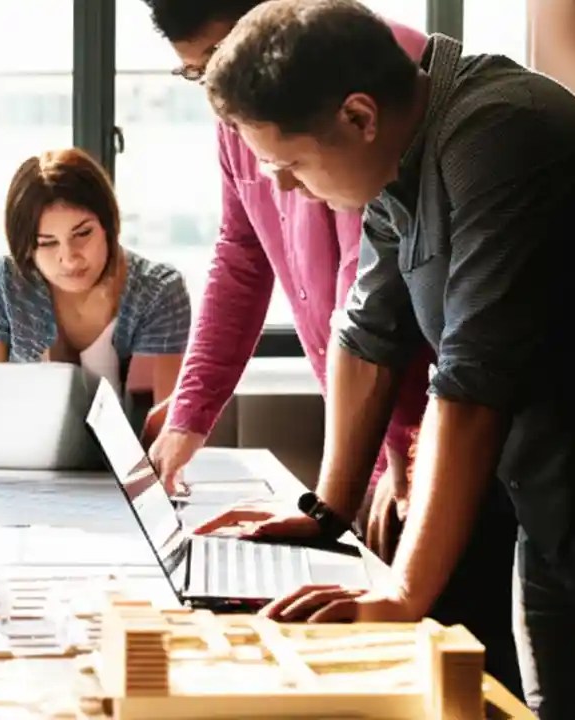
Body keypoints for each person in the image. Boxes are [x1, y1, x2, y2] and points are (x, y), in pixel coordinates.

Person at [201, 1, 575, 717]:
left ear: (359, 116)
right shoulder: (403, 150)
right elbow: (367, 335)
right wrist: (327, 509)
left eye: (291, 163)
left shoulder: (498, 137)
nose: (279, 187)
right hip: (550, 513)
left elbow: (470, 380)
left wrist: (401, 595)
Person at [141, 0, 432, 562]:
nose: (216, 97)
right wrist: (191, 413)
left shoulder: (357, 75)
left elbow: (374, 299)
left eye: (220, 58)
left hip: (427, 435)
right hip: (369, 439)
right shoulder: (244, 108)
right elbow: (241, 253)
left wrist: (378, 467)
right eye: (196, 74)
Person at [0, 148, 192, 442]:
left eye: (82, 234)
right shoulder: (3, 285)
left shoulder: (157, 293)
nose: (69, 259)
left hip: (119, 483)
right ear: (27, 248)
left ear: (108, 225)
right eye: (47, 243)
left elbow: (156, 435)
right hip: (18, 476)